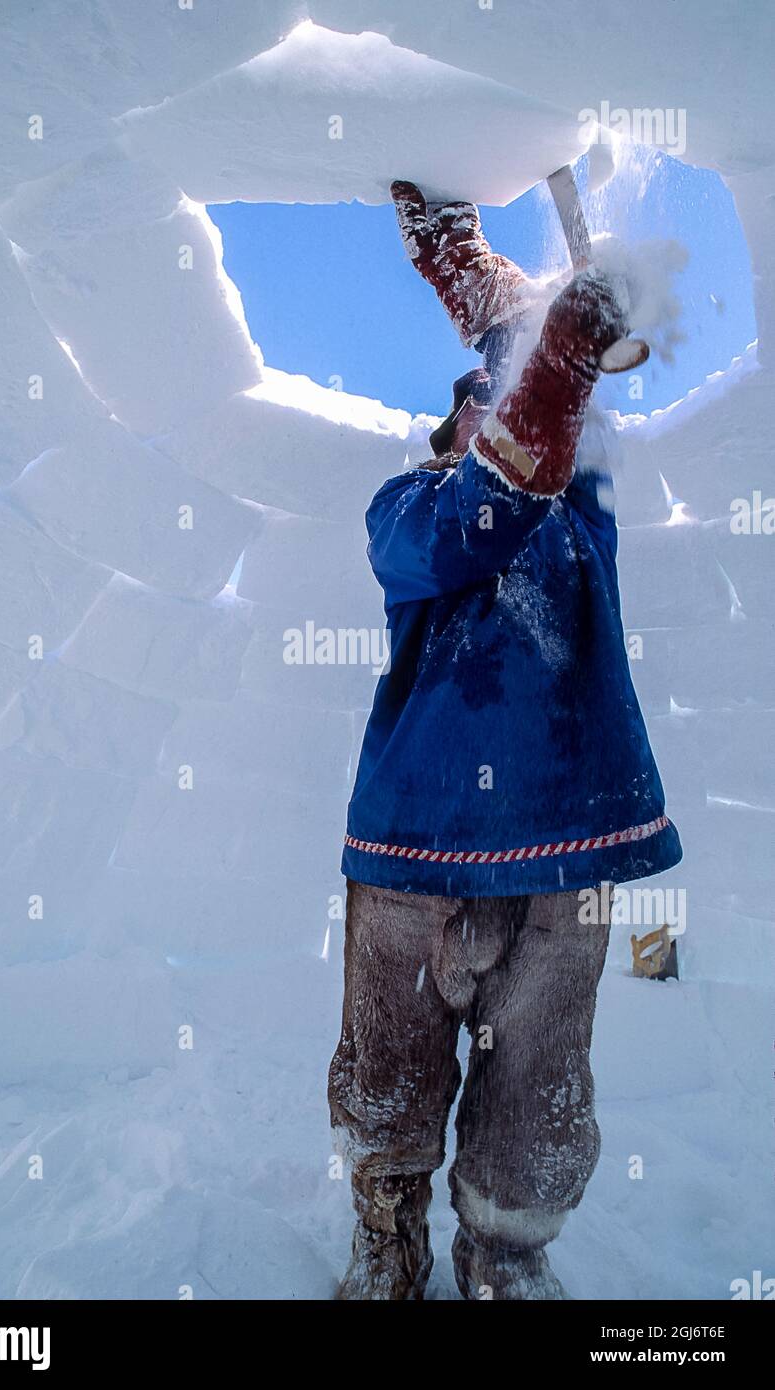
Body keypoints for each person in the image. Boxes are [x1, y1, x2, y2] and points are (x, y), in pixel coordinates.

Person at [328, 181, 682, 1301]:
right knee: (388, 1072)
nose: (525, 408)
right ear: (453, 430)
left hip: (568, 858)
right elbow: (490, 502)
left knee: (539, 1089)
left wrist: (474, 269)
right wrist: (560, 341)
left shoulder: (587, 502)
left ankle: (503, 1258)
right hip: (412, 859)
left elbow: (540, 407)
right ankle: (388, 1237)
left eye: (534, 389)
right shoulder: (410, 509)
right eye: (492, 401)